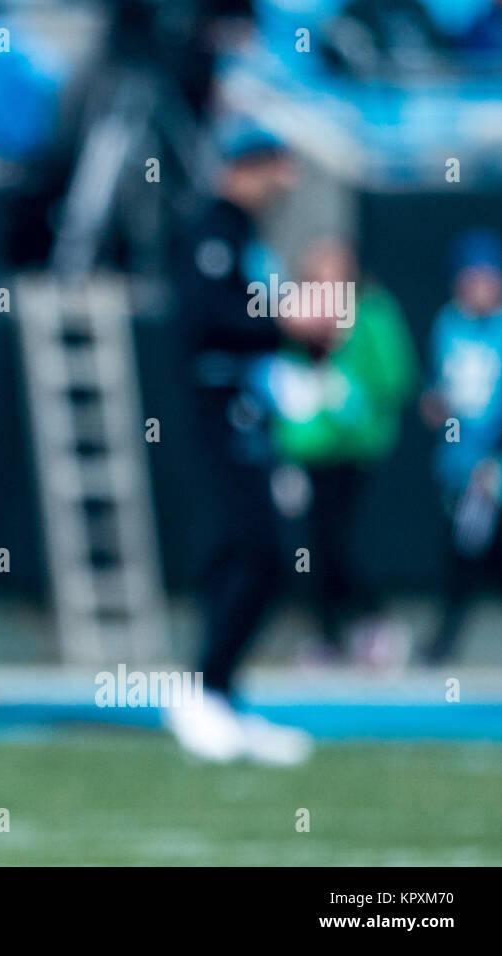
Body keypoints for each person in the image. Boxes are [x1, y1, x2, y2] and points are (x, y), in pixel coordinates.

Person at [165, 120, 322, 765]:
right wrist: (286, 324)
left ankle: (221, 692)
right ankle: (203, 691)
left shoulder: (248, 236)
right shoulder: (212, 229)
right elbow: (209, 318)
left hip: (252, 412)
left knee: (259, 550)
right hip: (219, 409)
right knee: (251, 545)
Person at [265, 238, 416, 666]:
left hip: (352, 450)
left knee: (337, 541)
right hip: (303, 450)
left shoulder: (372, 311)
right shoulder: (294, 310)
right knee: (308, 547)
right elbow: (282, 371)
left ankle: (373, 622)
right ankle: (327, 636)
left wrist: (348, 396)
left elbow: (393, 377)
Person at [420, 228, 502, 664]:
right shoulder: (448, 323)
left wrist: (493, 465)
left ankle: (443, 640)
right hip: (461, 465)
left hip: (493, 464)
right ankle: (444, 640)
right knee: (462, 555)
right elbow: (446, 391)